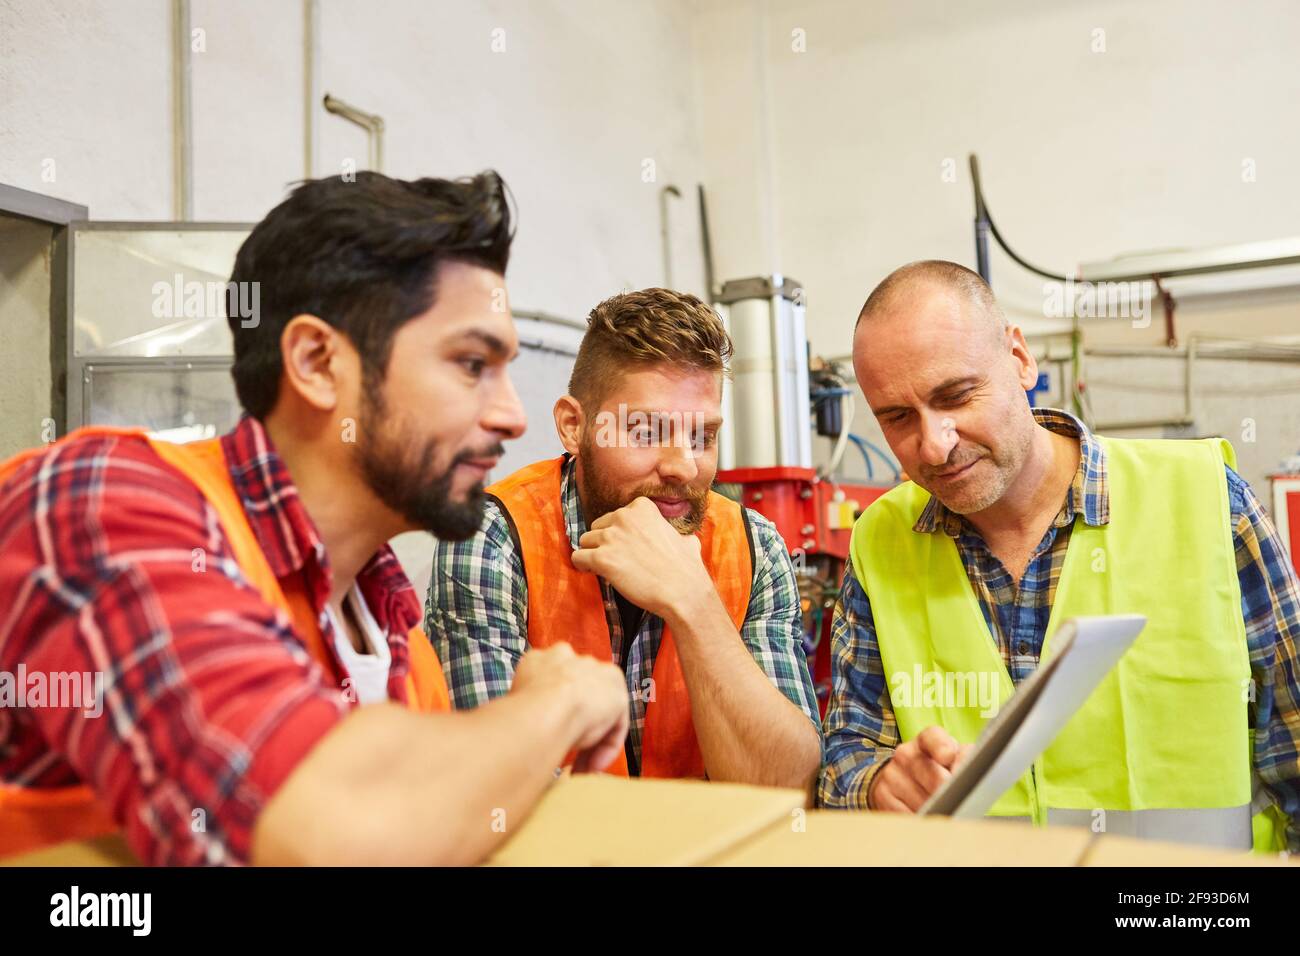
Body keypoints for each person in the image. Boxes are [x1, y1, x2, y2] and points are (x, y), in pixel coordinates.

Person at [0, 171, 629, 865]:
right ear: (317, 363)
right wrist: (557, 700)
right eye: (471, 363)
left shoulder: (396, 633)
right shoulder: (102, 506)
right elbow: (331, 836)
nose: (512, 415)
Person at [820, 259, 1298, 852]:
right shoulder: (882, 539)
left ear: (1020, 359)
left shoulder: (1208, 503)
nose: (935, 444)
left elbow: (1296, 748)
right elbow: (844, 757)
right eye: (898, 417)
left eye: (958, 396)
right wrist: (877, 785)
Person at [426, 288, 822, 788]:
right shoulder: (491, 535)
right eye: (647, 432)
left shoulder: (754, 546)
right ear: (574, 426)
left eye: (703, 436)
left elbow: (788, 788)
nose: (683, 466)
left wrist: (694, 605)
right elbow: (488, 786)